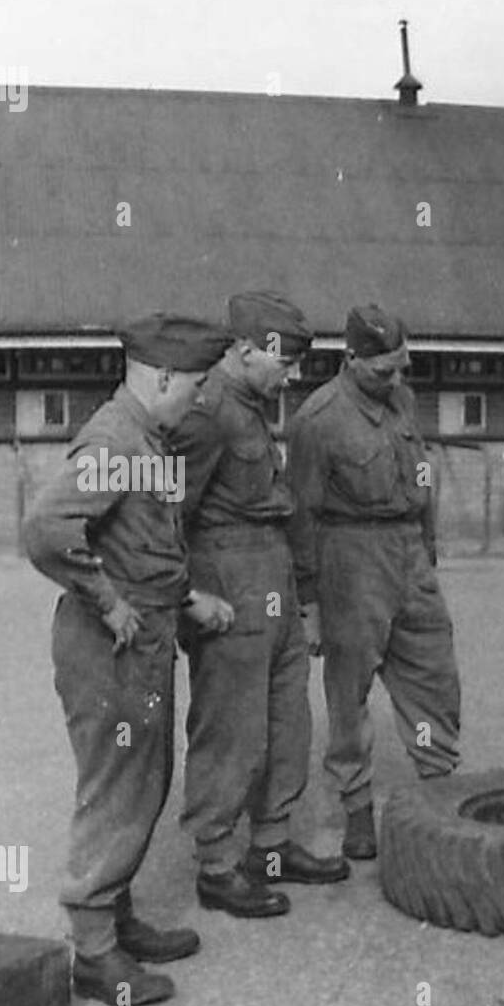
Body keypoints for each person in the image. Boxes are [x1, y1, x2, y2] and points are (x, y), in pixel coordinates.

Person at [23, 313, 234, 1006]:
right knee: (118, 785)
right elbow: (46, 529)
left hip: (140, 636)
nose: (201, 397)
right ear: (164, 376)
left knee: (144, 775)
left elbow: (144, 543)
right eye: (197, 384)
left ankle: (113, 917)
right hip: (108, 645)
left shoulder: (149, 437)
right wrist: (107, 600)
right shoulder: (118, 439)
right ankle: (93, 951)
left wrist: (185, 597)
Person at [169, 290, 348, 920]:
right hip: (228, 583)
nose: (293, 375)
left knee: (285, 722)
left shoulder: (250, 406)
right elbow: (169, 517)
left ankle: (269, 850)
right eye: (284, 361)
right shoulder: (206, 412)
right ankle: (217, 865)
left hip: (271, 576)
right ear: (245, 350)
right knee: (231, 728)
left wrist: (305, 600)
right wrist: (187, 599)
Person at [288, 304, 461, 860]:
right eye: (384, 371)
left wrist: (427, 553)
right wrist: (309, 602)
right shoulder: (318, 420)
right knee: (350, 689)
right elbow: (301, 516)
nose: (396, 380)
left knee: (433, 673)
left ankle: (439, 788)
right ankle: (357, 806)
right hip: (350, 556)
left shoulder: (402, 400)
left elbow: (423, 480)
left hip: (408, 550)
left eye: (402, 367)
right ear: (351, 359)